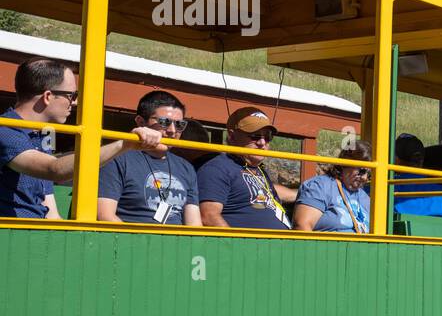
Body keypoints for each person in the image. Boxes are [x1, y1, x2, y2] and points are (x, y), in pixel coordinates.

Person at [1, 57, 161, 219]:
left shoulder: (45, 133)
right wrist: (124, 144)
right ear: (48, 96)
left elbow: (50, 208)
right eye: (72, 95)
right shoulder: (5, 131)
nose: (75, 102)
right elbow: (54, 169)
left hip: (34, 235)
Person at [97, 90, 200, 226]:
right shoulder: (118, 158)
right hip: (131, 243)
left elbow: (194, 225)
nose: (173, 131)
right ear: (140, 122)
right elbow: (105, 216)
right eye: (164, 122)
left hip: (177, 245)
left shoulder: (186, 167)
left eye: (180, 124)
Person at [198, 107, 296, 229]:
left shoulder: (258, 170)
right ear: (232, 137)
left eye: (267, 137)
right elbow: (208, 216)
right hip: (245, 246)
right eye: (255, 136)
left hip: (280, 245)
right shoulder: (217, 168)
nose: (262, 143)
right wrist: (235, 245)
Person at [293, 141, 372, 233]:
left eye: (369, 174)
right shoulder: (320, 186)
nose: (365, 178)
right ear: (345, 163)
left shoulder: (364, 197)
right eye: (361, 171)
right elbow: (302, 226)